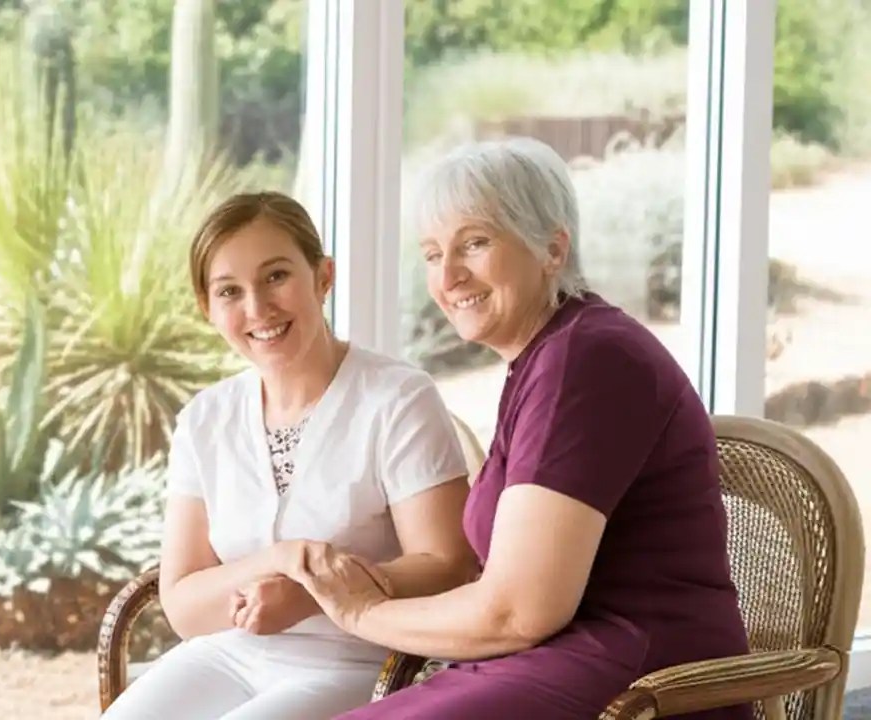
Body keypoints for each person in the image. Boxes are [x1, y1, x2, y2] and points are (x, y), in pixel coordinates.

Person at [282, 137, 753, 719]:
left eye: (475, 243)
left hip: (641, 685)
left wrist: (361, 615)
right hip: (558, 663)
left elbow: (517, 611)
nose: (449, 276)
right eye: (433, 254)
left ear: (553, 248)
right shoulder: (548, 355)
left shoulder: (585, 360)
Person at [101, 191, 477, 720]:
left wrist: (314, 594)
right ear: (208, 309)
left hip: (362, 658)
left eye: (276, 276)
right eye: (230, 291)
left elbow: (447, 565)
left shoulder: (398, 399)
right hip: (227, 654)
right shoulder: (204, 420)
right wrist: (280, 562)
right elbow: (184, 603)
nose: (258, 308)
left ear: (323, 277)